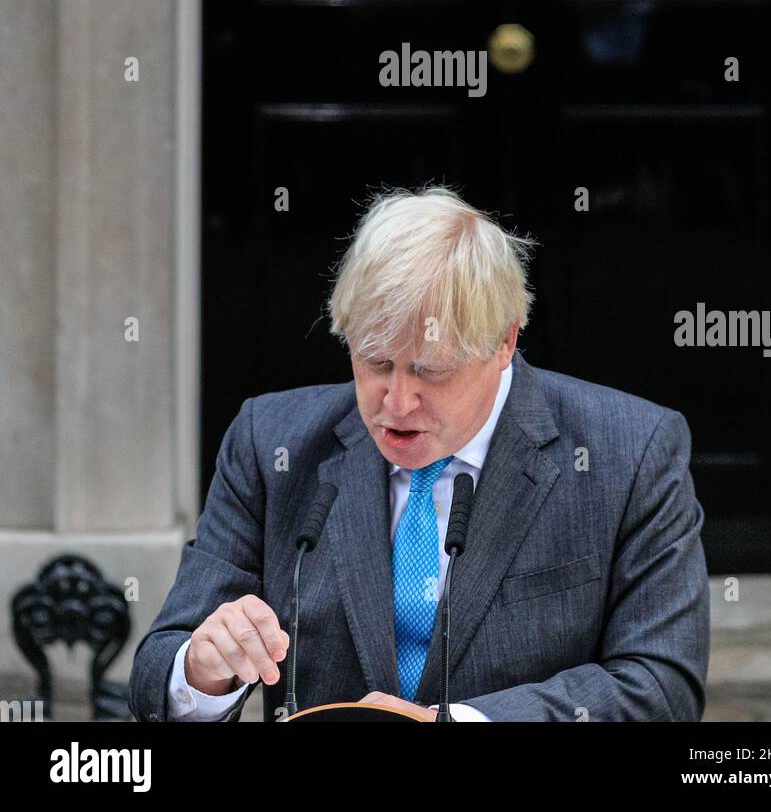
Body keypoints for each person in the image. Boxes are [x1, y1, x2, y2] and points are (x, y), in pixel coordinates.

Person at [128, 186, 710, 722]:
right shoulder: (271, 441)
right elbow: (158, 672)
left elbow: (661, 685)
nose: (397, 402)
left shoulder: (630, 452)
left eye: (430, 371)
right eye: (375, 362)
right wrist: (202, 672)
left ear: (505, 341)